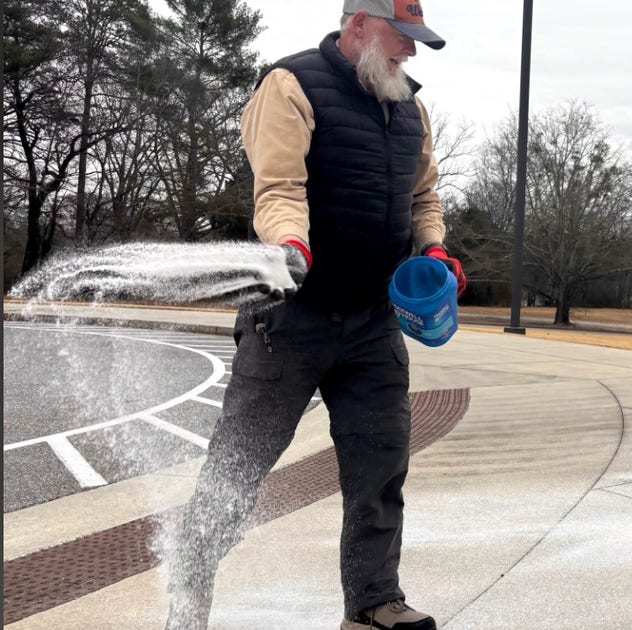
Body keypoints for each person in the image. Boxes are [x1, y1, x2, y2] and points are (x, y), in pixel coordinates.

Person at [165, 1, 465, 629]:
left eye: (417, 40)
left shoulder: (410, 107)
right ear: (359, 26)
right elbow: (279, 187)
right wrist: (290, 246)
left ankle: (373, 603)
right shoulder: (291, 84)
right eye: (401, 36)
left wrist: (433, 246)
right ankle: (186, 605)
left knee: (380, 468)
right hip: (290, 319)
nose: (411, 51)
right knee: (236, 472)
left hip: (372, 320)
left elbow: (424, 193)